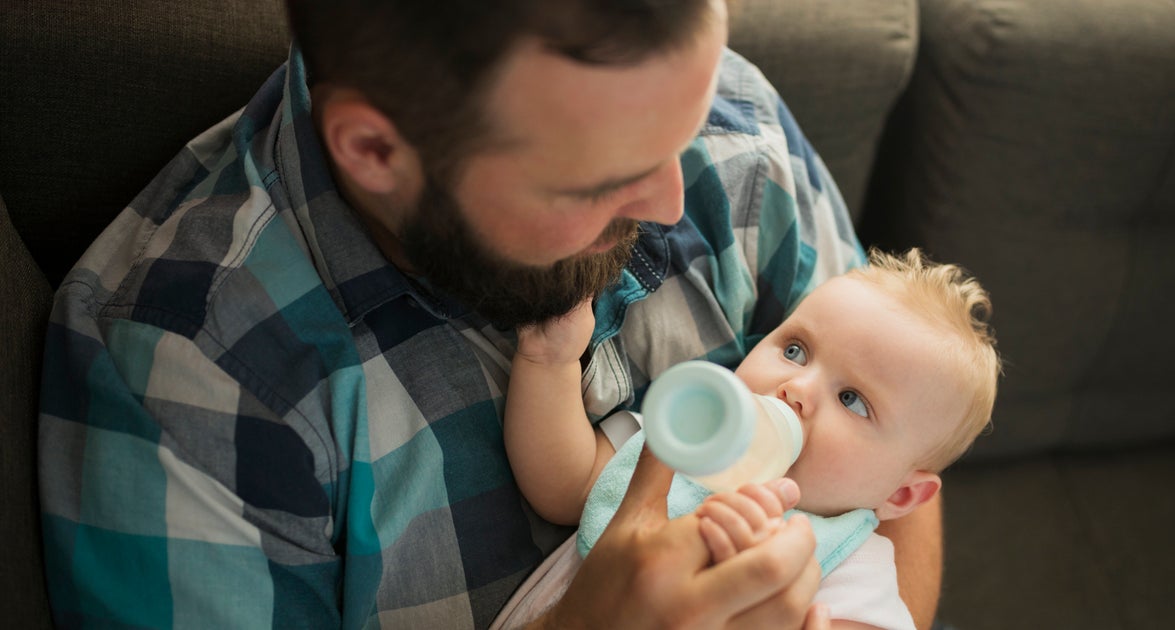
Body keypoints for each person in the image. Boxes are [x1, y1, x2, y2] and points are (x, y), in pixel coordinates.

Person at [37, 1, 941, 627]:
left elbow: (902, 454)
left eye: (685, 126)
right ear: (377, 150)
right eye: (597, 177)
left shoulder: (732, 125)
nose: (673, 199)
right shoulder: (188, 382)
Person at [501, 248, 1000, 629]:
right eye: (797, 350)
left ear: (902, 494)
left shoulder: (854, 569)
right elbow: (563, 487)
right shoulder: (680, 440)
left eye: (852, 400)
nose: (796, 388)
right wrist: (550, 360)